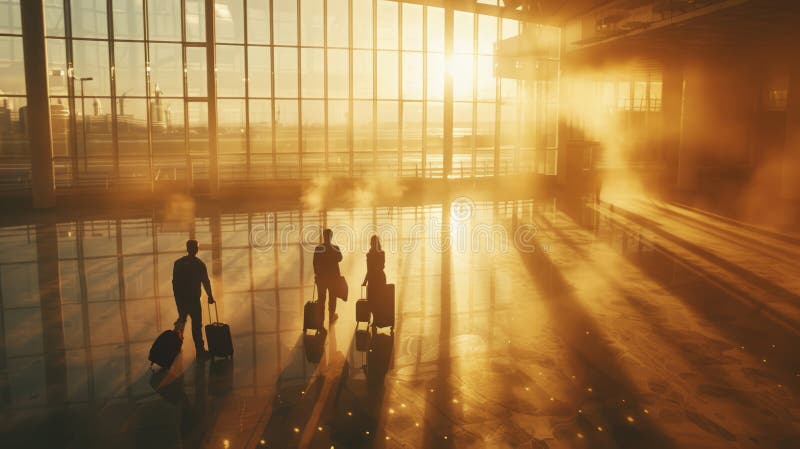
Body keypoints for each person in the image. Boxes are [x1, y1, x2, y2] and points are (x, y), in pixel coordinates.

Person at [173, 239, 215, 357]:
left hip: (181, 299)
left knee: (181, 321)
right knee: (196, 325)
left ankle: (175, 346)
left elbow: (175, 283)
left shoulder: (178, 263)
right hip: (194, 300)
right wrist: (210, 296)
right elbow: (205, 282)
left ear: (187, 249)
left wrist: (177, 299)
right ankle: (200, 350)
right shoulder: (199, 264)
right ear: (196, 249)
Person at [313, 229, 343, 322]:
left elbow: (315, 263)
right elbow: (340, 258)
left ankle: (320, 322)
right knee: (332, 298)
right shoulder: (335, 248)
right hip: (333, 278)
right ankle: (331, 317)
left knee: (321, 300)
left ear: (324, 236)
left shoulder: (318, 248)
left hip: (321, 278)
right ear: (331, 237)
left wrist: (317, 275)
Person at [361, 235, 386, 299]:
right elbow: (369, 270)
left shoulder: (381, 253)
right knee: (374, 299)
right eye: (372, 243)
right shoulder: (369, 255)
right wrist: (365, 281)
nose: (373, 244)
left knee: (378, 298)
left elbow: (381, 266)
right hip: (374, 279)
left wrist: (365, 281)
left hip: (378, 278)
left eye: (374, 243)